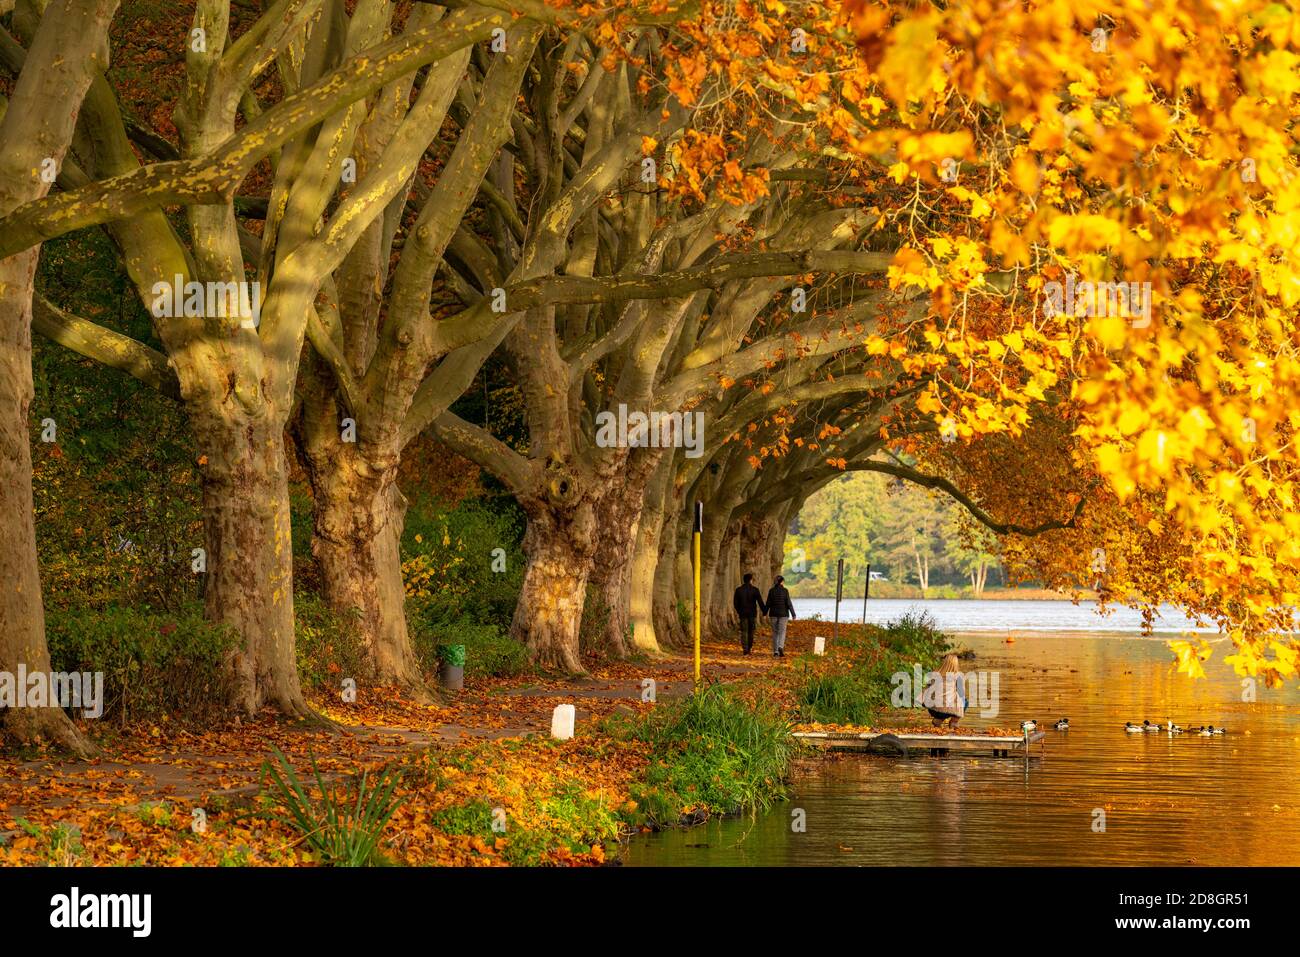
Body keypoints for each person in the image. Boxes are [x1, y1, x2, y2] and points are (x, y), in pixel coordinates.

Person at [926, 653, 966, 727]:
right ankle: (954, 721)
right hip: (947, 711)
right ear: (956, 664)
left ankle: (938, 719)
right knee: (965, 701)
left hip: (932, 710)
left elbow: (927, 691)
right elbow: (962, 695)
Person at [732, 573, 766, 655]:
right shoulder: (755, 590)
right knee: (751, 631)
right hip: (752, 613)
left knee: (744, 631)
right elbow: (760, 602)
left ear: (743, 580)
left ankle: (745, 648)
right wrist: (764, 611)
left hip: (742, 613)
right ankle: (749, 647)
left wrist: (739, 611)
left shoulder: (738, 590)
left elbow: (735, 603)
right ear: (751, 580)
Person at [764, 575, 796, 657]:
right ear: (781, 582)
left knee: (775, 632)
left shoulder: (771, 591)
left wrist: (764, 613)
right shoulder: (785, 591)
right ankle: (780, 647)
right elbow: (788, 603)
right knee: (782, 632)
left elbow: (768, 603)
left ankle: (775, 651)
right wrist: (793, 614)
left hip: (773, 614)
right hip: (783, 614)